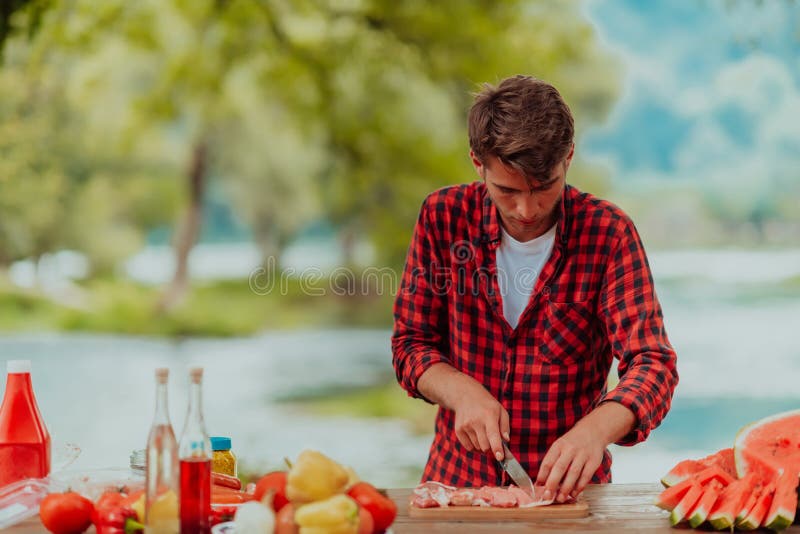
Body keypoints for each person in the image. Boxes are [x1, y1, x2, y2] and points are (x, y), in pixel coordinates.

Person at [391, 75, 678, 503]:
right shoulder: (442, 218)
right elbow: (411, 345)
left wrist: (595, 430)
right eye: (507, 191)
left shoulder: (609, 234)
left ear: (569, 157)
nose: (527, 210)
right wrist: (461, 390)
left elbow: (653, 364)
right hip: (455, 488)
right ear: (477, 163)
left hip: (570, 497)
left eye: (544, 188)